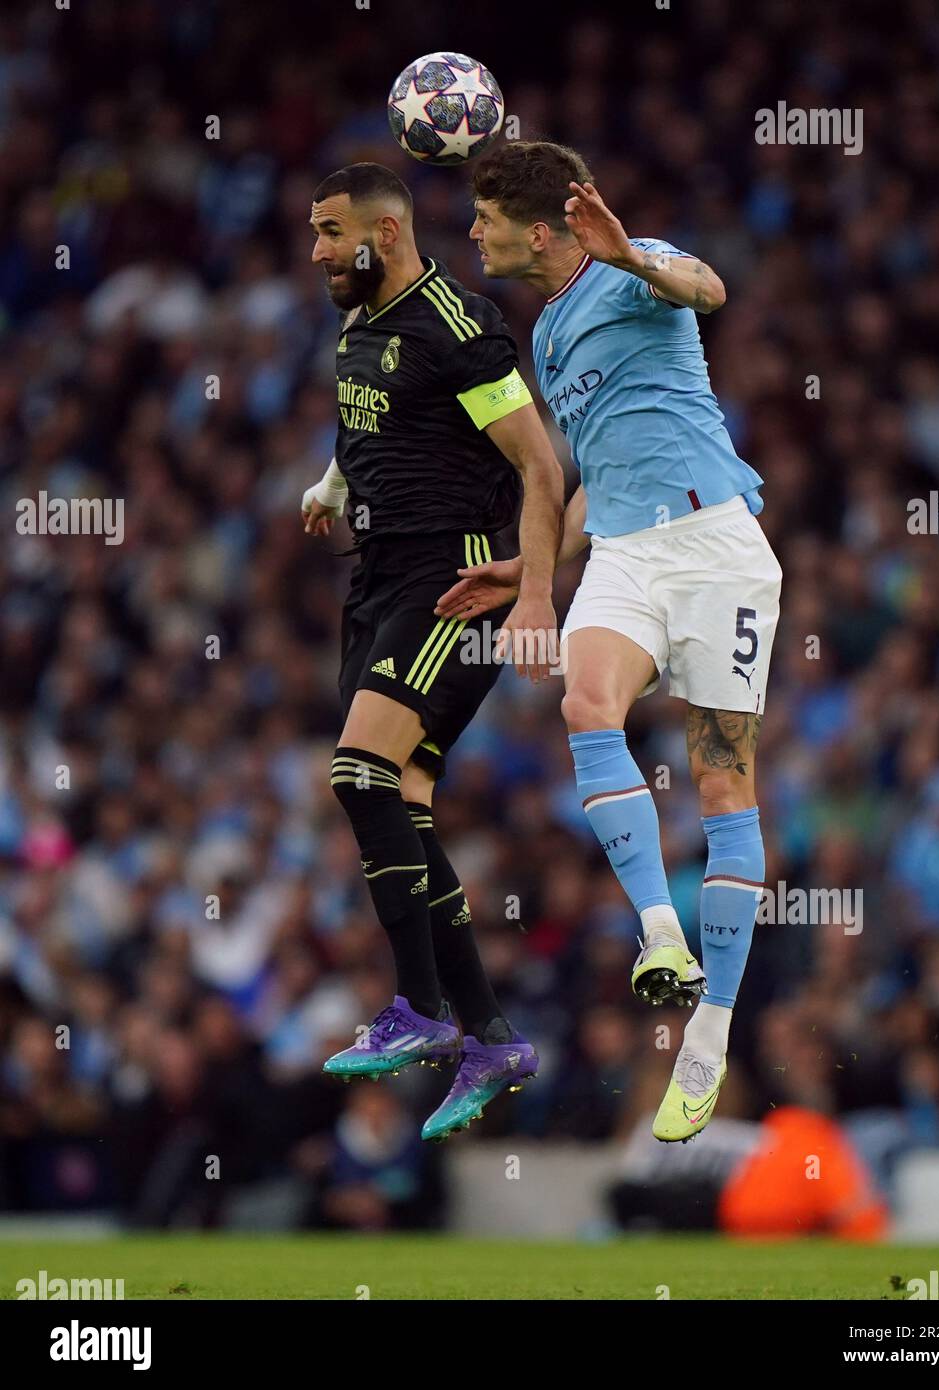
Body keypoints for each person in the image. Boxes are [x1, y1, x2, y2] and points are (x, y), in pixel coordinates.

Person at [436, 141, 782, 1142]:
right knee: (583, 703)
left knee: (721, 785)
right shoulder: (542, 334)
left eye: (484, 217)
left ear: (534, 227)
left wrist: (630, 255)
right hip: (625, 552)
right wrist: (528, 575)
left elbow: (706, 288)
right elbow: (577, 475)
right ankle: (659, 934)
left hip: (716, 546)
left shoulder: (638, 273)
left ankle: (707, 1037)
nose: (472, 233)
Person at [301, 163, 563, 1141]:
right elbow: (362, 412)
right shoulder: (358, 318)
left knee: (356, 773)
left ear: (387, 230)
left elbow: (540, 464)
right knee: (402, 804)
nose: (318, 250)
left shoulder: (457, 325)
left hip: (449, 582)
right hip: (376, 582)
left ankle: (419, 1009)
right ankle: (490, 1033)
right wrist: (331, 483)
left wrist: (529, 586)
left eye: (331, 232)